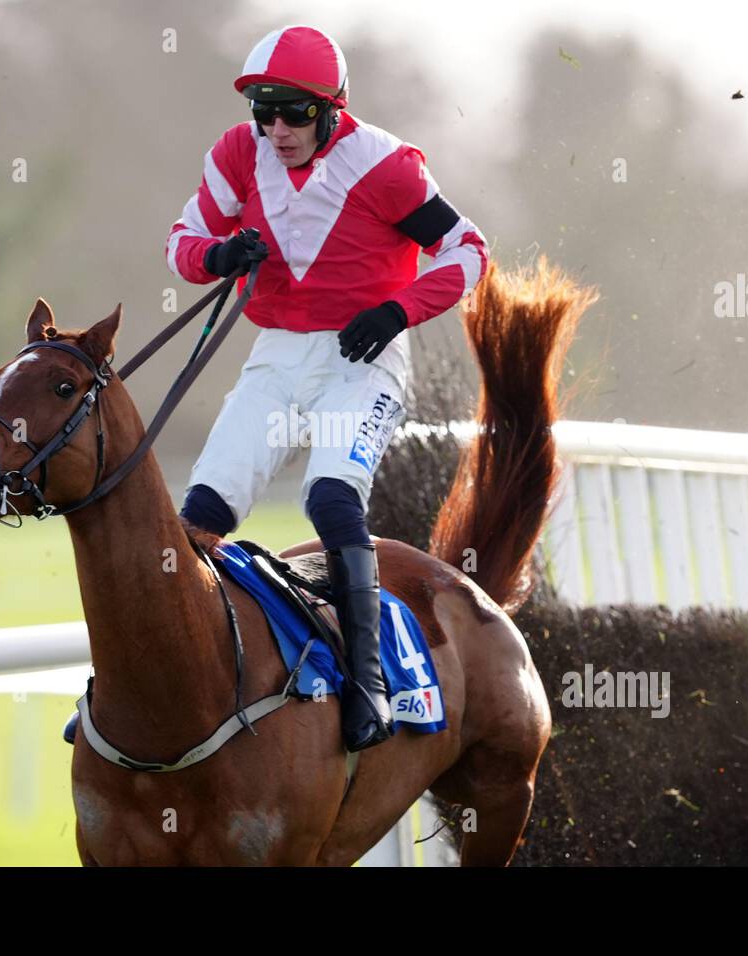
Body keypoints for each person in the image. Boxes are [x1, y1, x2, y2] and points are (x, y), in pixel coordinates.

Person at [166, 24, 489, 752]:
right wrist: (220, 252)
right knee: (198, 519)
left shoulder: (388, 166)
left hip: (362, 361)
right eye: (265, 112)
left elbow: (470, 251)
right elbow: (181, 243)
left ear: (332, 111)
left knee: (331, 497)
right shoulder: (235, 155)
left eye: (295, 113)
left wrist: (395, 310)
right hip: (276, 358)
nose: (277, 130)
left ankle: (368, 685)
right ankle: (171, 701)